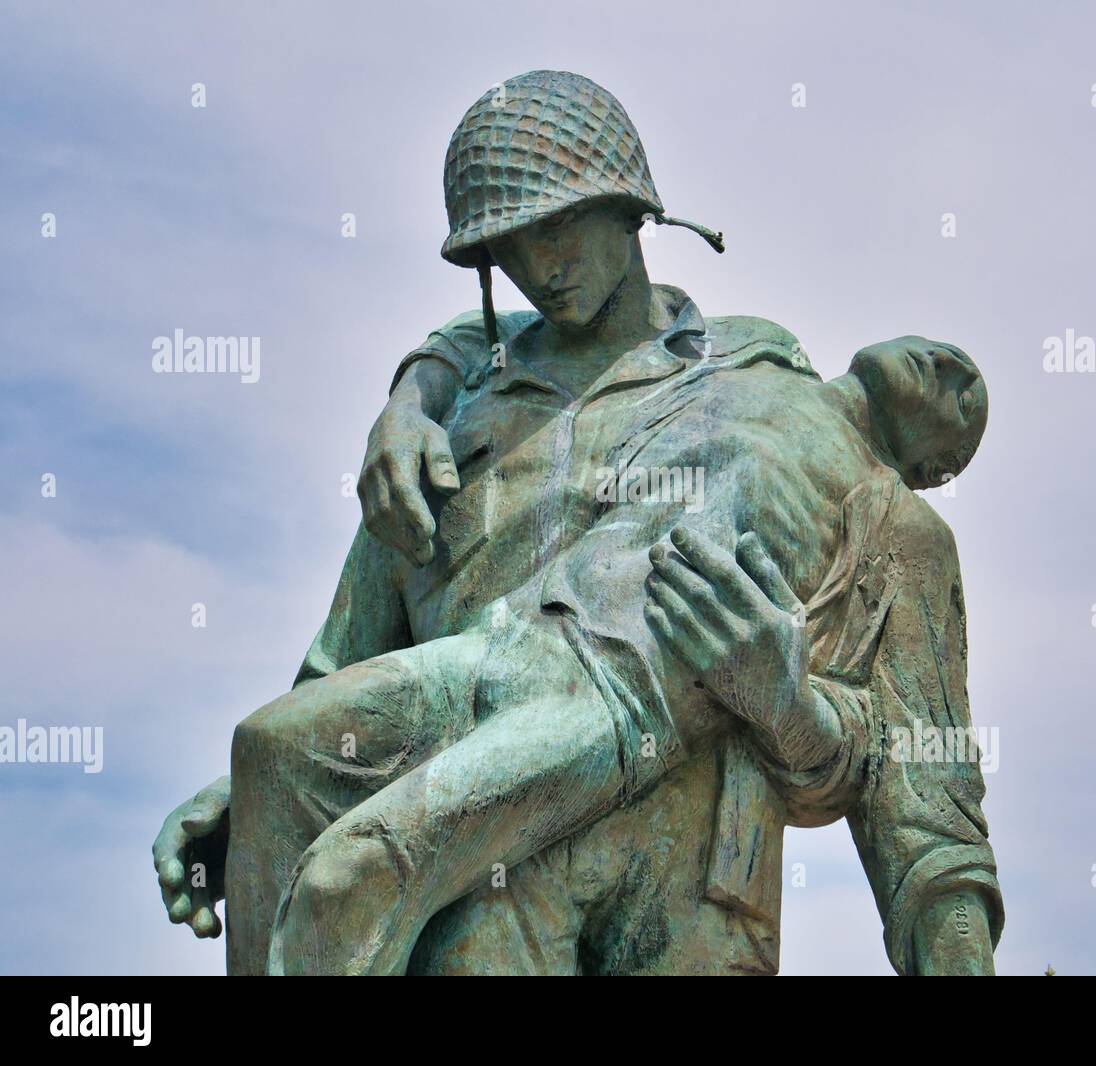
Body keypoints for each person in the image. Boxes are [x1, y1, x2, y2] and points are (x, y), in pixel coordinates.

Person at [153, 70, 1002, 975]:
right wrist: (253, 798)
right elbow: (350, 662)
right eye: (512, 247)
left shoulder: (835, 468)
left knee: (348, 881)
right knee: (290, 794)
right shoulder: (451, 422)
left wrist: (782, 701)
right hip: (463, 907)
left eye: (556, 227)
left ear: (628, 209)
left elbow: (924, 814)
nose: (542, 267)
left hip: (681, 913)